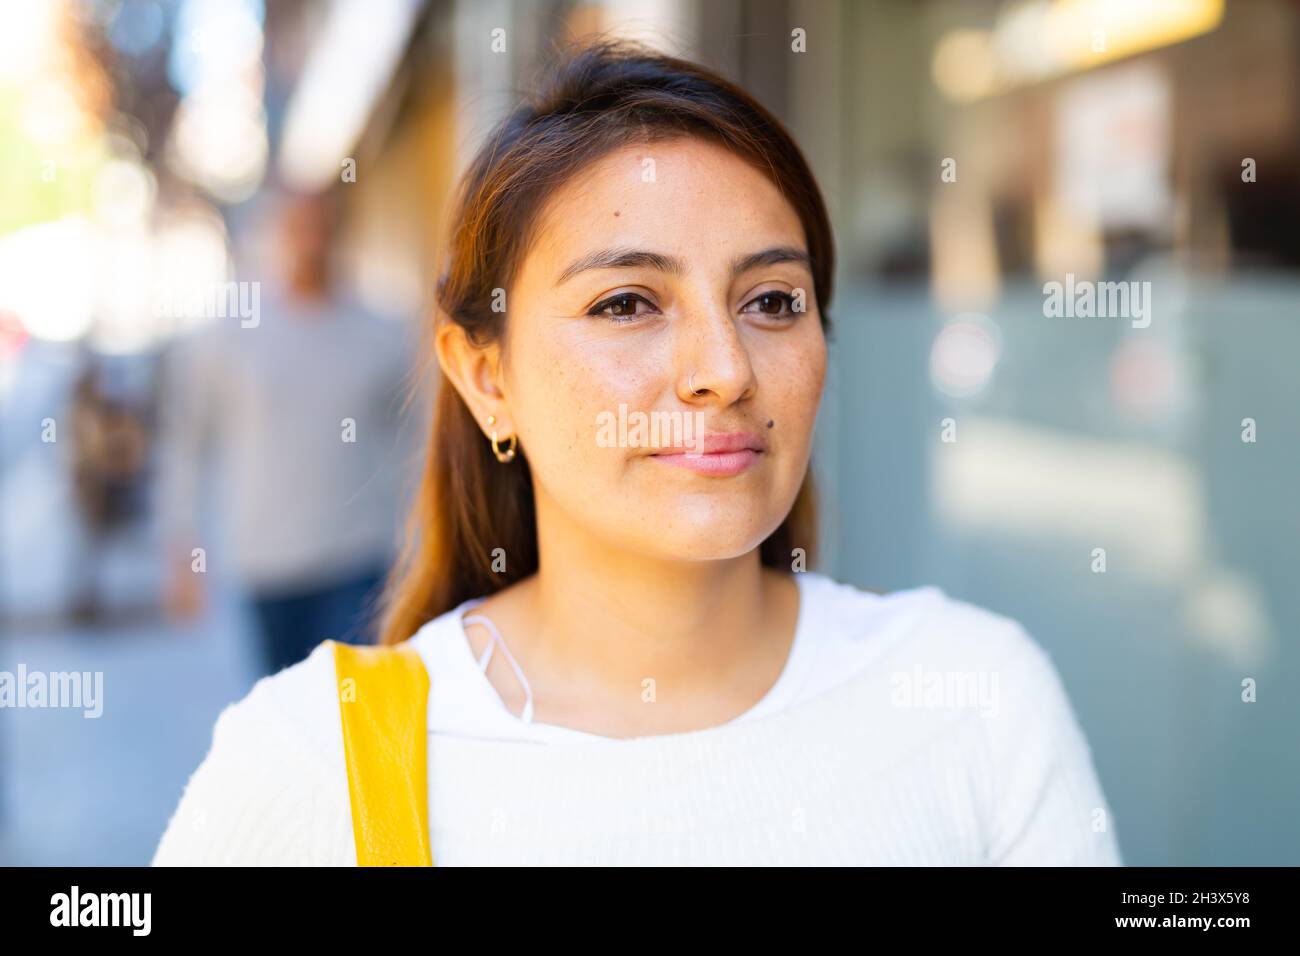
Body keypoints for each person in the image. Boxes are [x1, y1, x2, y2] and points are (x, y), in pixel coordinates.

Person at [153, 39, 1122, 865]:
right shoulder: (311, 764)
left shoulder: (977, 696)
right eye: (625, 303)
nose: (722, 370)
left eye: (772, 301)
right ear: (486, 375)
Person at [158, 189, 419, 675]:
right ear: (278, 232)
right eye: (300, 226)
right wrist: (182, 548)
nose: (312, 240)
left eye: (322, 226)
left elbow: (417, 443)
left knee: (353, 711)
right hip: (266, 563)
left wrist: (424, 545)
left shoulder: (381, 333)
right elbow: (189, 446)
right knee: (290, 720)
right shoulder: (228, 338)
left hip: (358, 559)